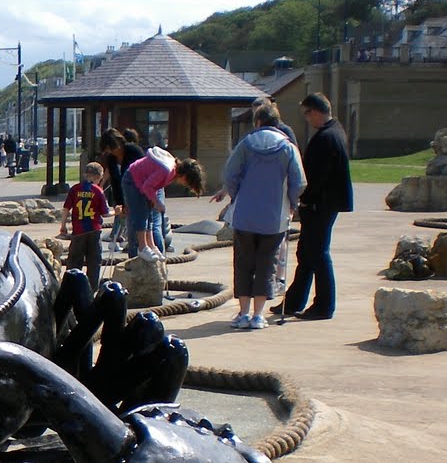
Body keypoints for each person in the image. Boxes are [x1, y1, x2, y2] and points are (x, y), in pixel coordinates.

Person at [218, 100, 304, 330]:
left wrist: (236, 196)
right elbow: (299, 181)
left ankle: (243, 312)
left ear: (257, 121)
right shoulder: (288, 147)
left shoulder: (246, 144)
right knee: (267, 264)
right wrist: (292, 202)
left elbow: (229, 175)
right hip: (274, 216)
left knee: (244, 262)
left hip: (245, 215)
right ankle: (258, 315)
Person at [274, 92, 352, 320]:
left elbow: (316, 178)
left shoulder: (326, 138)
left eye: (307, 114)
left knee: (318, 253)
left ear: (316, 112)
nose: (307, 119)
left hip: (321, 205)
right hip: (325, 204)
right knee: (307, 252)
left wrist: (304, 199)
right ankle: (294, 300)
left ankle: (324, 305)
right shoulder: (334, 132)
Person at [123, 145, 204, 256]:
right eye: (188, 183)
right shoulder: (167, 170)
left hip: (142, 183)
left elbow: (153, 184)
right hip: (133, 181)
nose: (185, 185)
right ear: (185, 175)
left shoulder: (172, 172)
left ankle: (151, 245)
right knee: (141, 215)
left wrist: (153, 200)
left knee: (149, 216)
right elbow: (147, 186)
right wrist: (157, 202)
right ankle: (142, 247)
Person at [60, 161, 111, 290]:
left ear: (85, 174)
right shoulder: (98, 191)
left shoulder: (75, 189)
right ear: (98, 176)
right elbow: (105, 213)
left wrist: (63, 225)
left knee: (74, 261)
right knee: (94, 262)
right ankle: (91, 288)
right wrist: (115, 212)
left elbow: (66, 208)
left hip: (78, 231)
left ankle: (71, 287)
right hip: (93, 230)